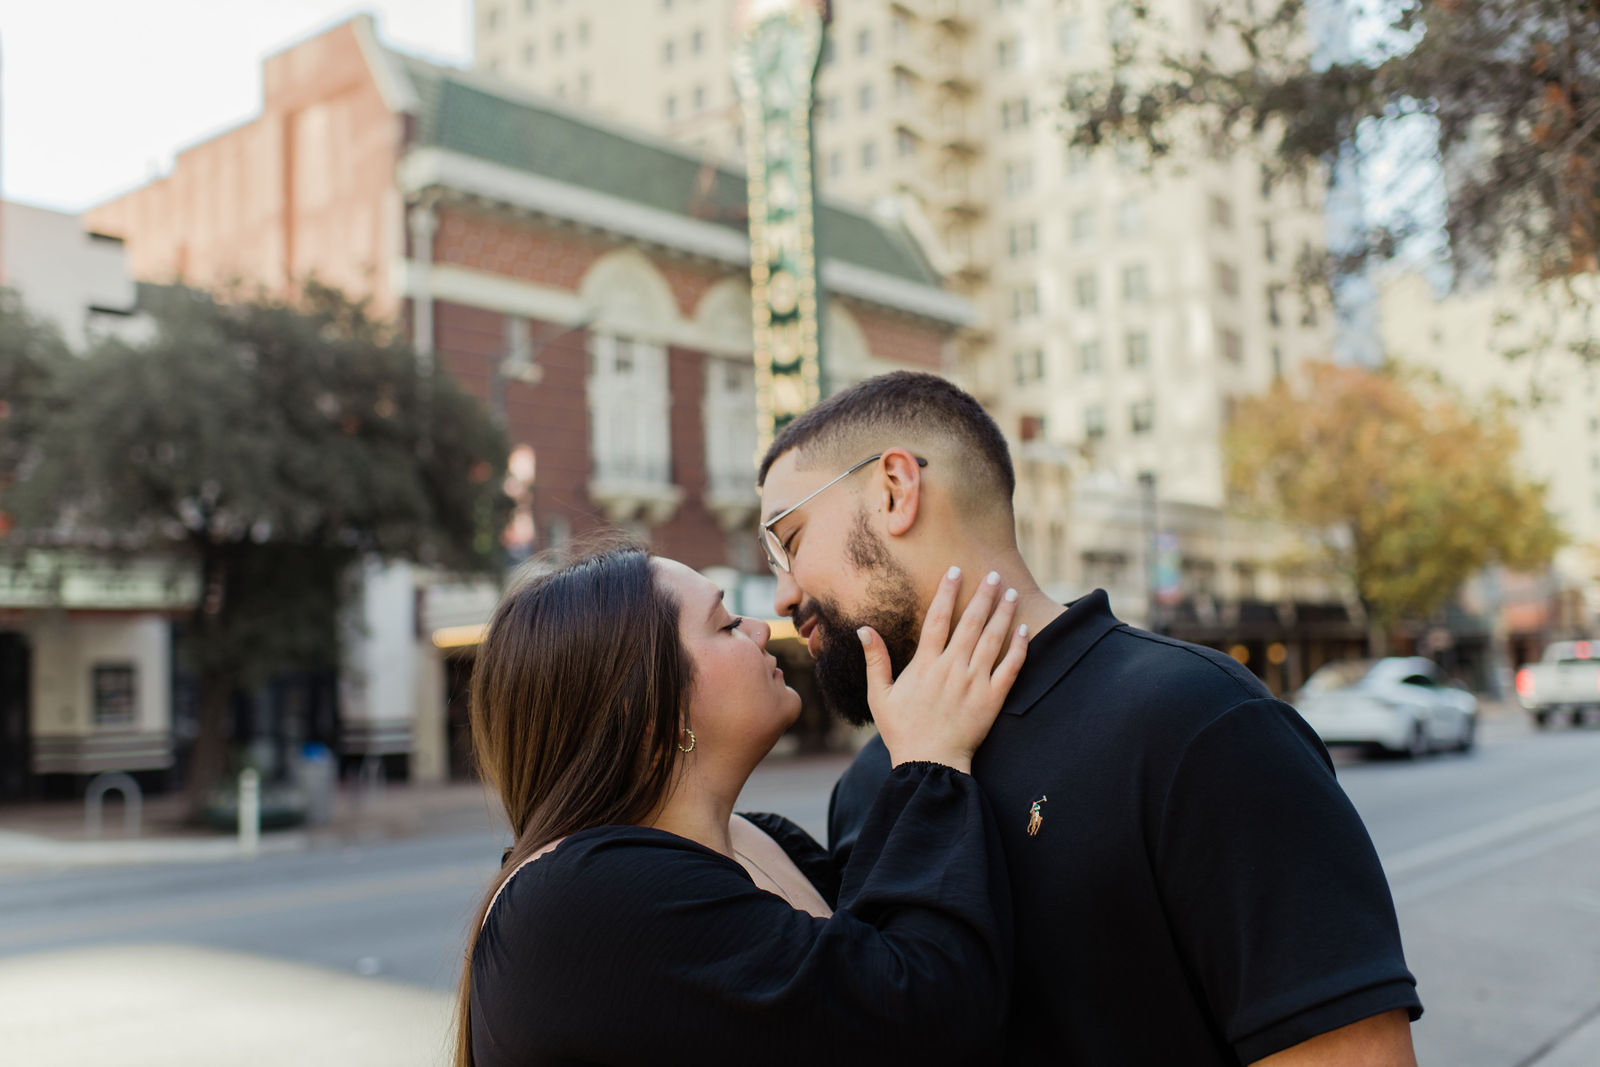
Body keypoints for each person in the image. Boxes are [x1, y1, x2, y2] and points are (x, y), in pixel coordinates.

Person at [756, 371, 1423, 1065]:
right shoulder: (874, 784)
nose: (783, 594)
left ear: (895, 488)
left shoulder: (1199, 723)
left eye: (791, 540)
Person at [454, 539, 1029, 1067]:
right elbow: (926, 1018)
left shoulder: (764, 840)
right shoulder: (584, 896)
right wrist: (930, 764)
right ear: (657, 710)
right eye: (726, 624)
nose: (761, 627)